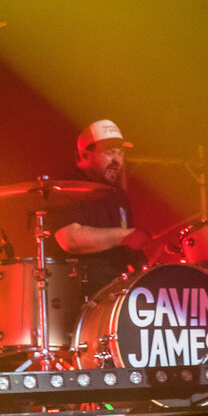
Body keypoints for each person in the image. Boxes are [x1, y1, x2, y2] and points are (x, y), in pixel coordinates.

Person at [49, 119, 149, 294]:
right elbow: (70, 239)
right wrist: (124, 236)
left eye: (121, 152)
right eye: (110, 152)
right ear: (85, 155)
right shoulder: (65, 189)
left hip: (116, 292)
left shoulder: (118, 194)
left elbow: (131, 248)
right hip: (77, 294)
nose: (117, 160)